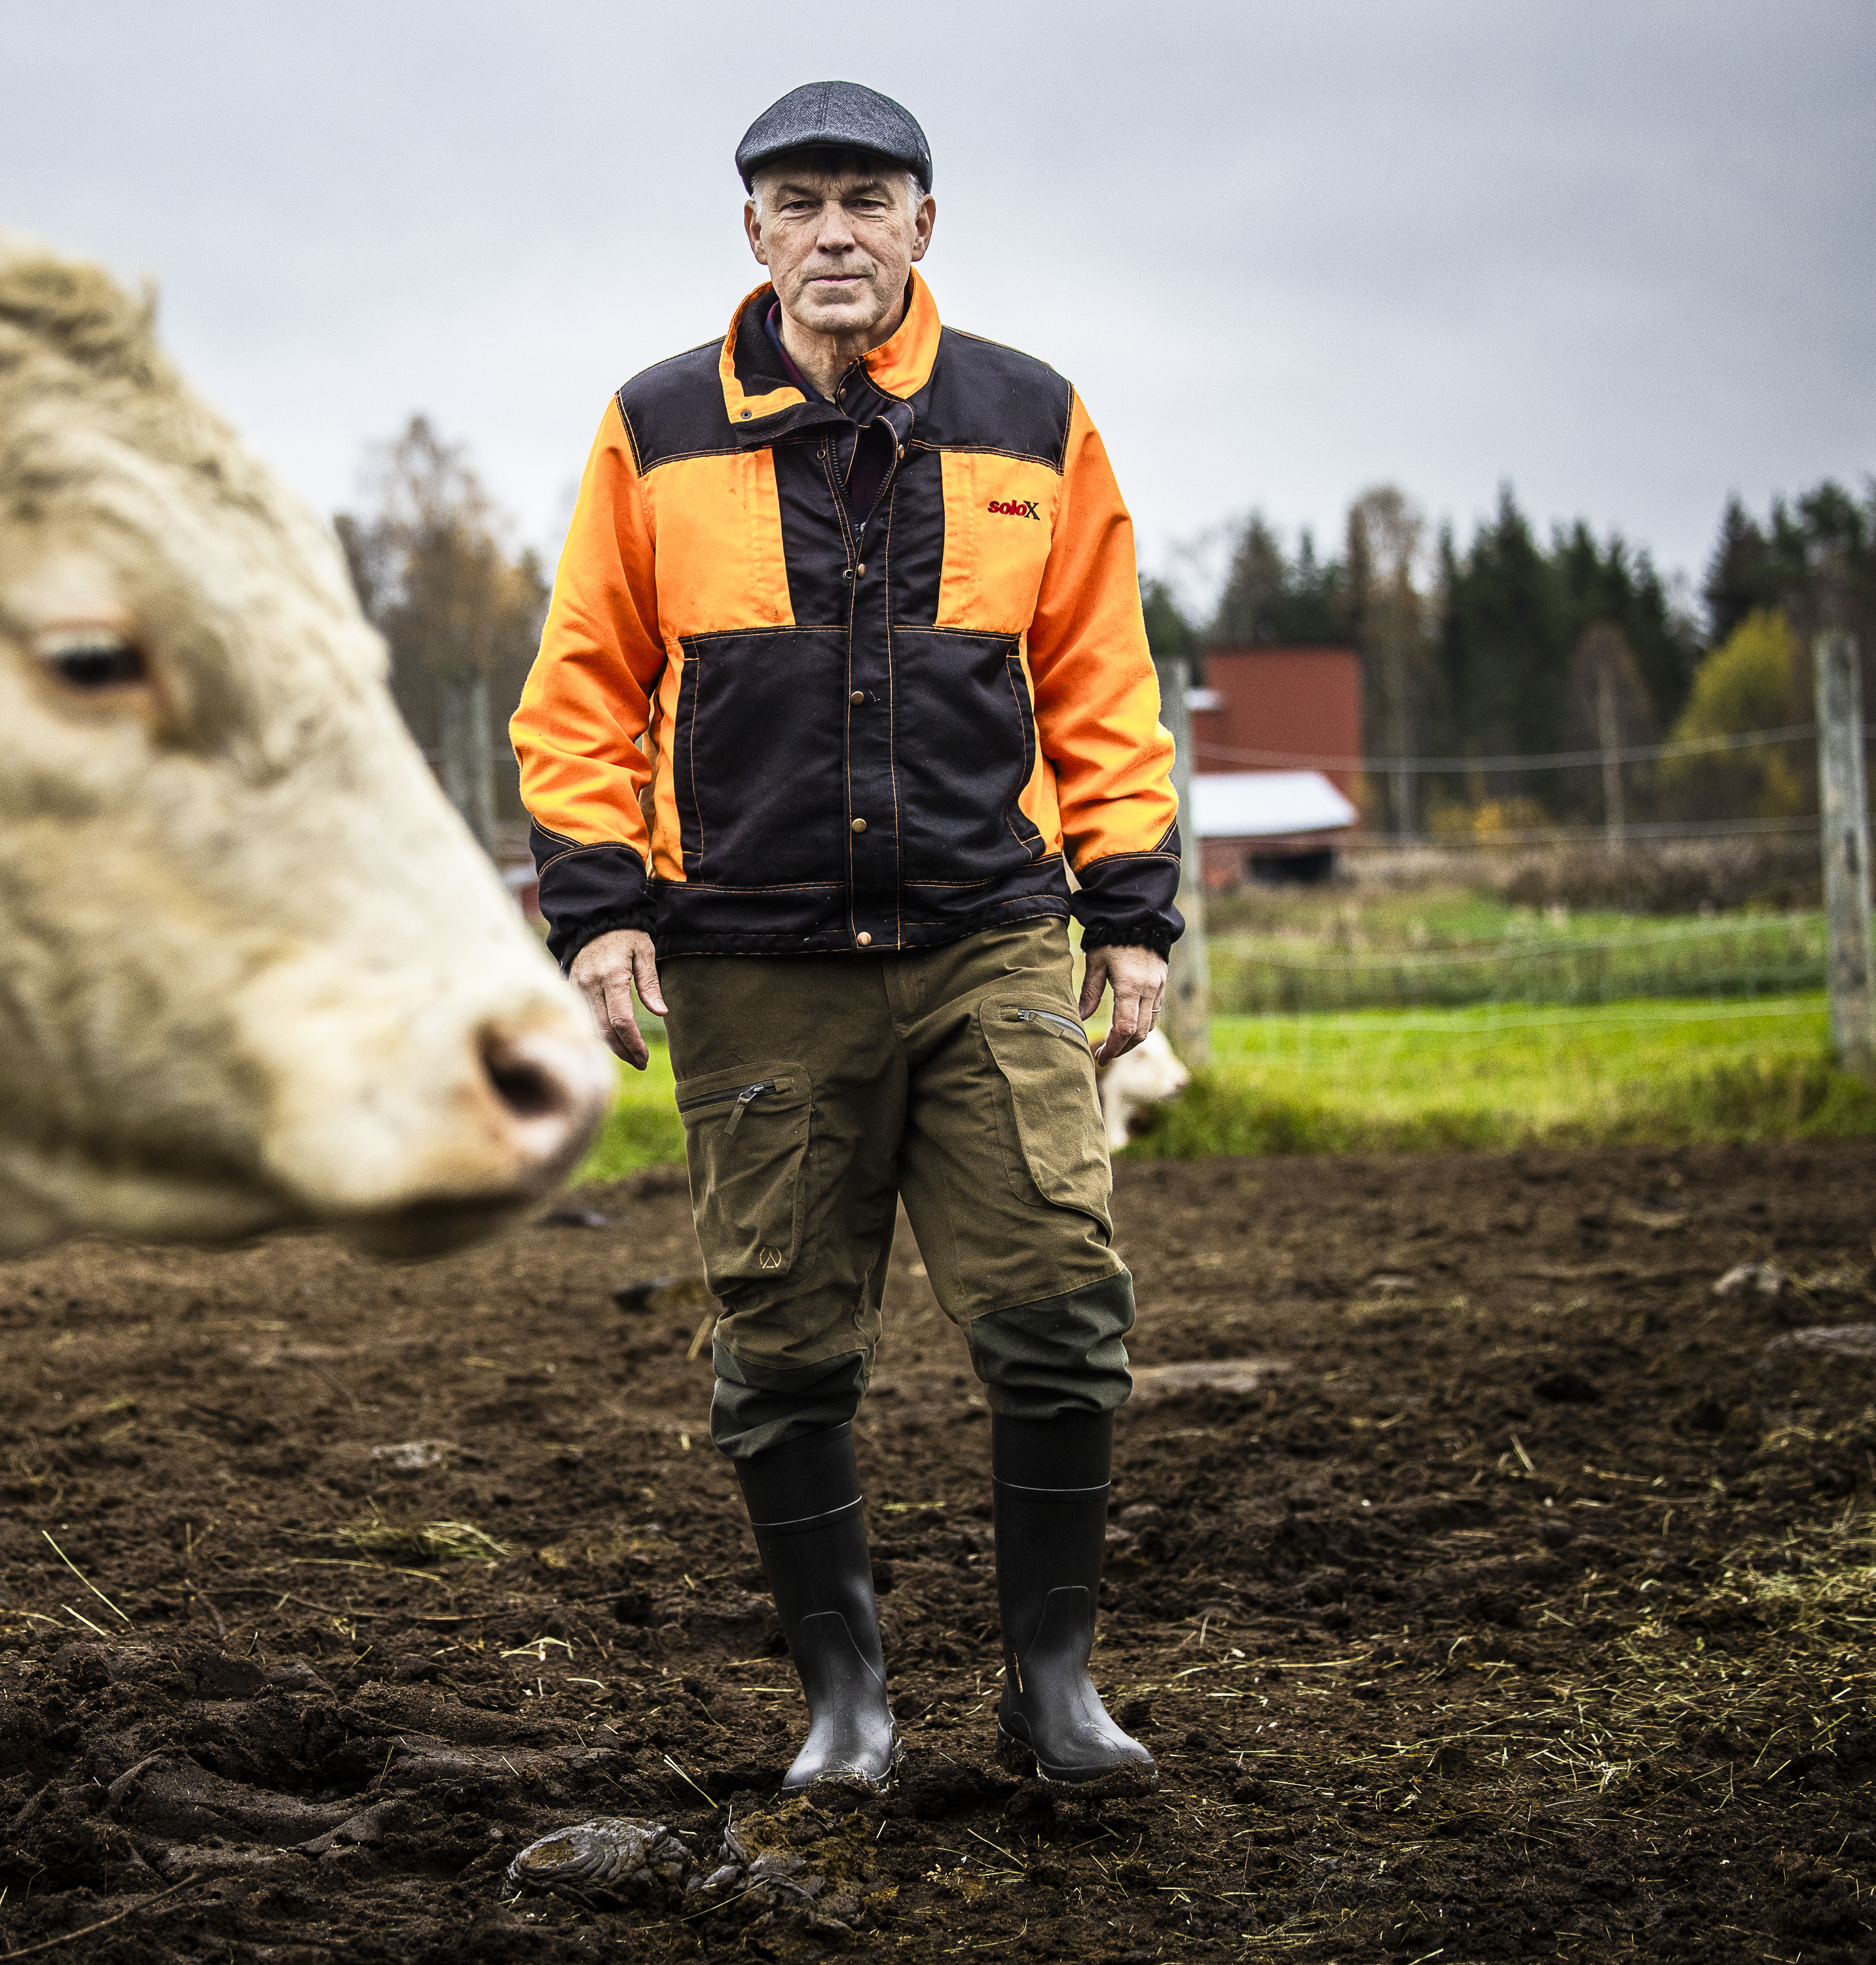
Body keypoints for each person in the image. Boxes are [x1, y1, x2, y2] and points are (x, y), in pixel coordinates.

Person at [511, 80, 1181, 1797]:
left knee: (1053, 1302)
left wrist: (1134, 913)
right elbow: (581, 688)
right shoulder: (655, 427)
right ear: (751, 232)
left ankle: (1053, 1687)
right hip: (749, 960)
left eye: (864, 201)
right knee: (784, 1339)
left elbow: (1100, 676)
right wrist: (594, 914)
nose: (830, 231)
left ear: (920, 225)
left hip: (990, 941)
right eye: (795, 202)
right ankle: (848, 1706)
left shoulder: (1030, 418)